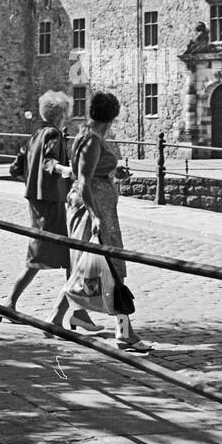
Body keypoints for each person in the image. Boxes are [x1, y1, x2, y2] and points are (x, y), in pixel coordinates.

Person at [50, 91, 150, 352]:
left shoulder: (86, 134)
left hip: (97, 207)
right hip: (95, 211)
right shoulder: (93, 140)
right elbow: (84, 181)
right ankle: (125, 332)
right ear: (112, 116)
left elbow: (89, 173)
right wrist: (95, 216)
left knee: (85, 269)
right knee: (112, 268)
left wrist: (112, 172)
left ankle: (56, 319)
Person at [2, 91, 102, 332]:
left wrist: (32, 180)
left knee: (51, 253)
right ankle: (11, 304)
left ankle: (77, 312)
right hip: (52, 202)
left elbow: (15, 167)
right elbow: (48, 162)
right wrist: (63, 171)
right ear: (61, 114)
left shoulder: (34, 134)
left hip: (37, 200)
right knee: (62, 254)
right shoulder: (54, 134)